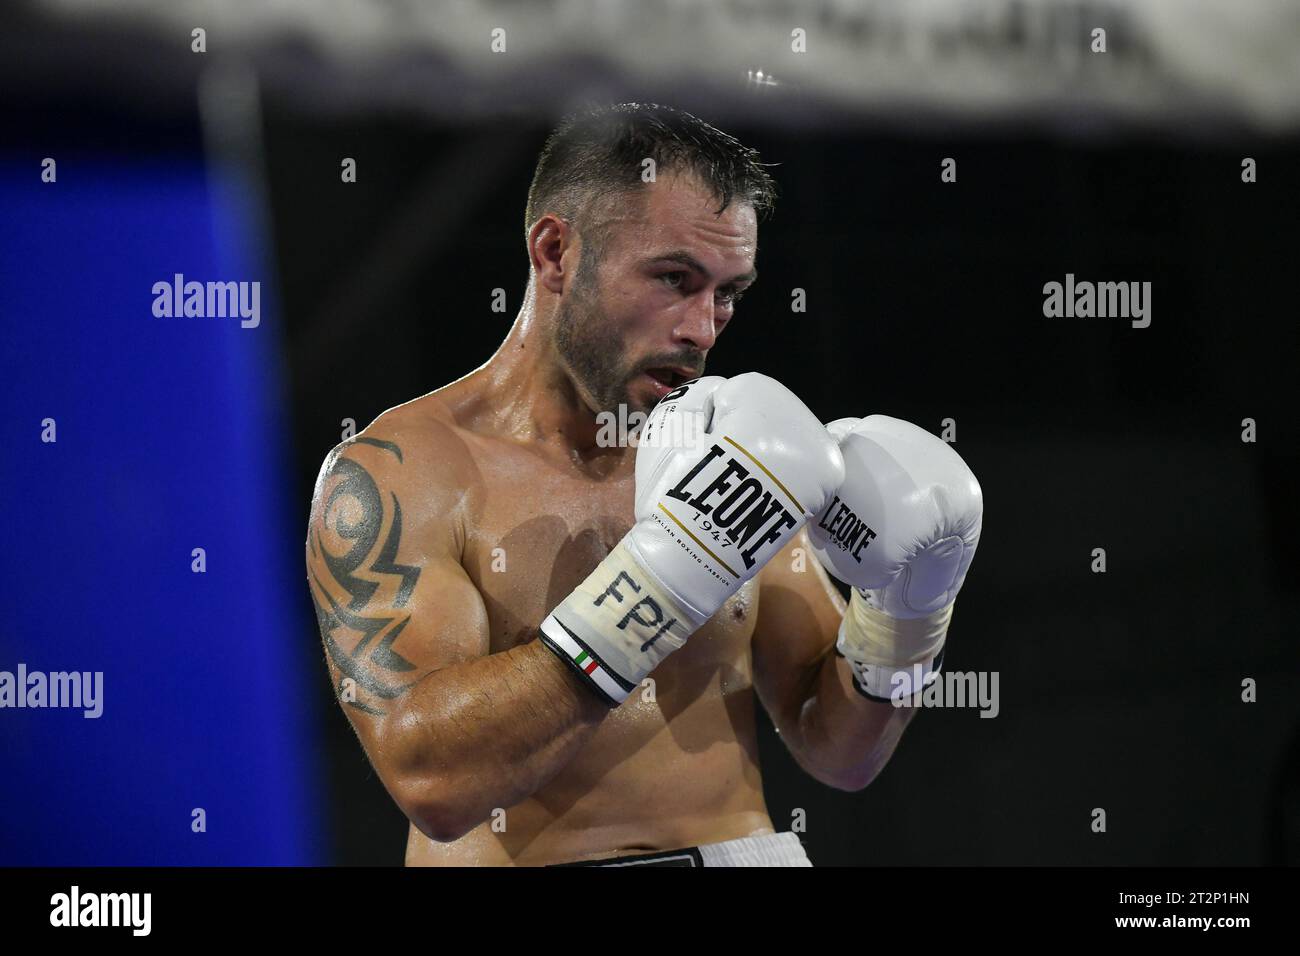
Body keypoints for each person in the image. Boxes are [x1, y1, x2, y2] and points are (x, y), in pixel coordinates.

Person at [305, 103, 983, 866]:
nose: (703, 329)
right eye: (674, 278)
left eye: (728, 293)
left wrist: (908, 612)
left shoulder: (732, 448)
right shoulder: (405, 473)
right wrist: (660, 584)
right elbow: (433, 780)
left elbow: (840, 751)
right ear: (557, 251)